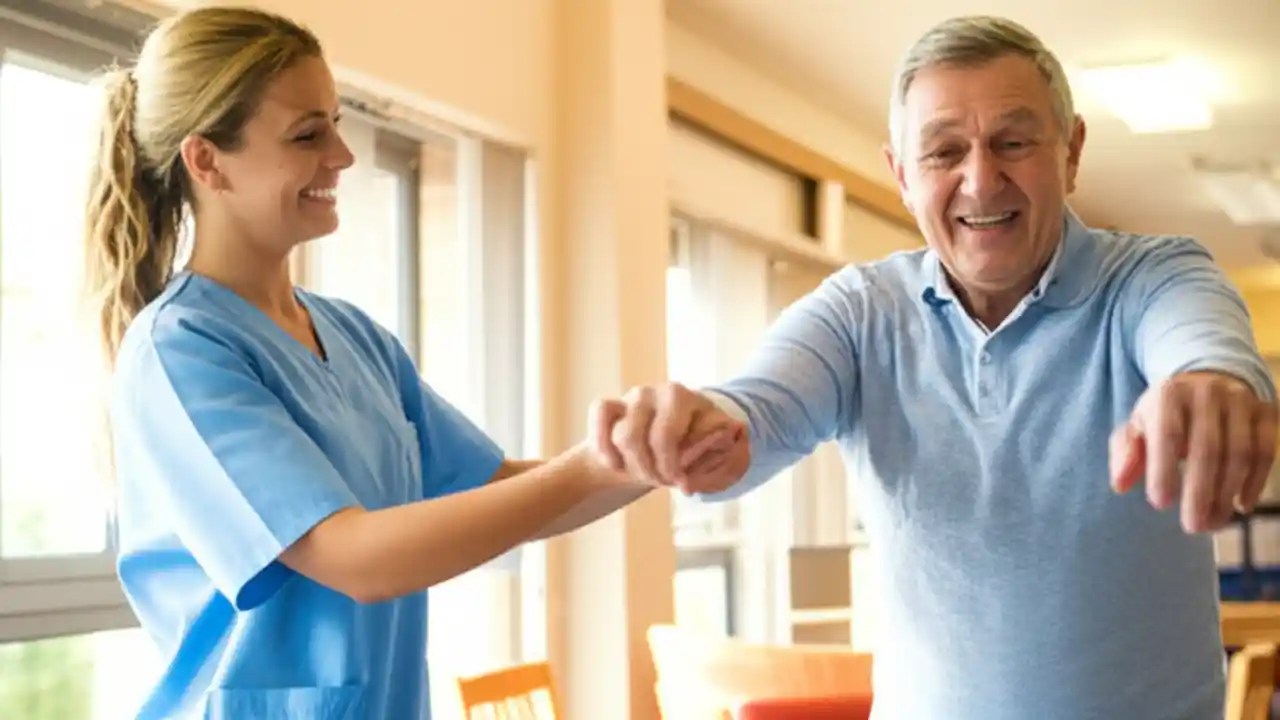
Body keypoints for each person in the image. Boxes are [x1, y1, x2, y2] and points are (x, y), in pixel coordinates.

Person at [590, 14, 1280, 720]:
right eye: (944, 151)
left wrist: (1209, 388)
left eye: (1013, 142)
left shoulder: (1151, 277)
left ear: (1071, 153)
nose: (981, 181)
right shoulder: (860, 313)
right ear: (900, 175)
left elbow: (1205, 350)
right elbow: (756, 408)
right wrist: (699, 428)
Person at [84, 7, 688, 719]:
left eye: (336, 125)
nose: (341, 155)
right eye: (309, 134)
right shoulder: (180, 352)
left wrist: (656, 453)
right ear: (206, 160)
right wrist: (595, 466)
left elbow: (498, 491)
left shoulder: (353, 336)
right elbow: (355, 559)